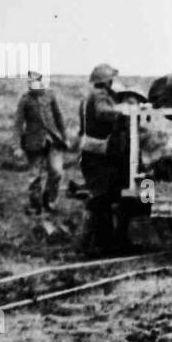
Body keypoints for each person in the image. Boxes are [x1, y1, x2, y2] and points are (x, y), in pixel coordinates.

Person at [78, 62, 134, 254]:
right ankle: (104, 244)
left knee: (105, 197)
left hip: (94, 155)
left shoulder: (89, 96)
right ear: (107, 81)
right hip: (98, 157)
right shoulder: (100, 96)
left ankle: (105, 242)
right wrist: (122, 111)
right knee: (102, 199)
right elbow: (103, 113)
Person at [14, 70, 67, 213]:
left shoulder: (50, 95)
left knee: (56, 172)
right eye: (32, 83)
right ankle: (34, 205)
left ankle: (49, 200)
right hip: (33, 142)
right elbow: (18, 124)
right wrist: (17, 146)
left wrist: (64, 137)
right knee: (34, 176)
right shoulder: (25, 100)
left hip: (53, 141)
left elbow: (59, 116)